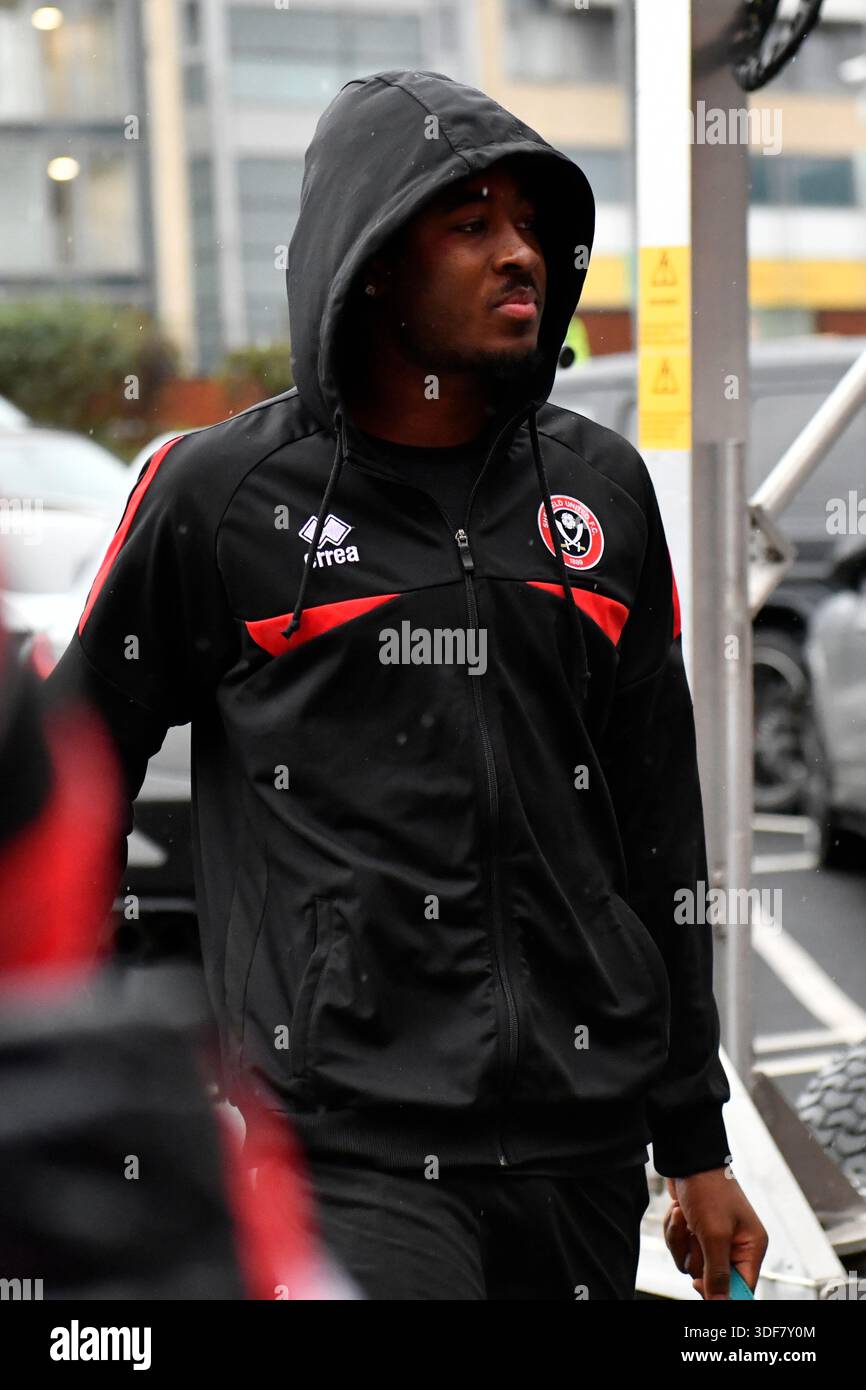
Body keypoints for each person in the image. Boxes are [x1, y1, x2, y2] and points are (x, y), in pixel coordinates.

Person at [44, 68, 767, 1301]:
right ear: (373, 258)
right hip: (347, 1149)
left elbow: (657, 827)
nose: (517, 254)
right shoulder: (221, 498)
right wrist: (112, 1068)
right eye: (470, 222)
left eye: (529, 225)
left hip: (579, 1146)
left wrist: (692, 1141)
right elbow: (69, 775)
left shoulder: (599, 490)